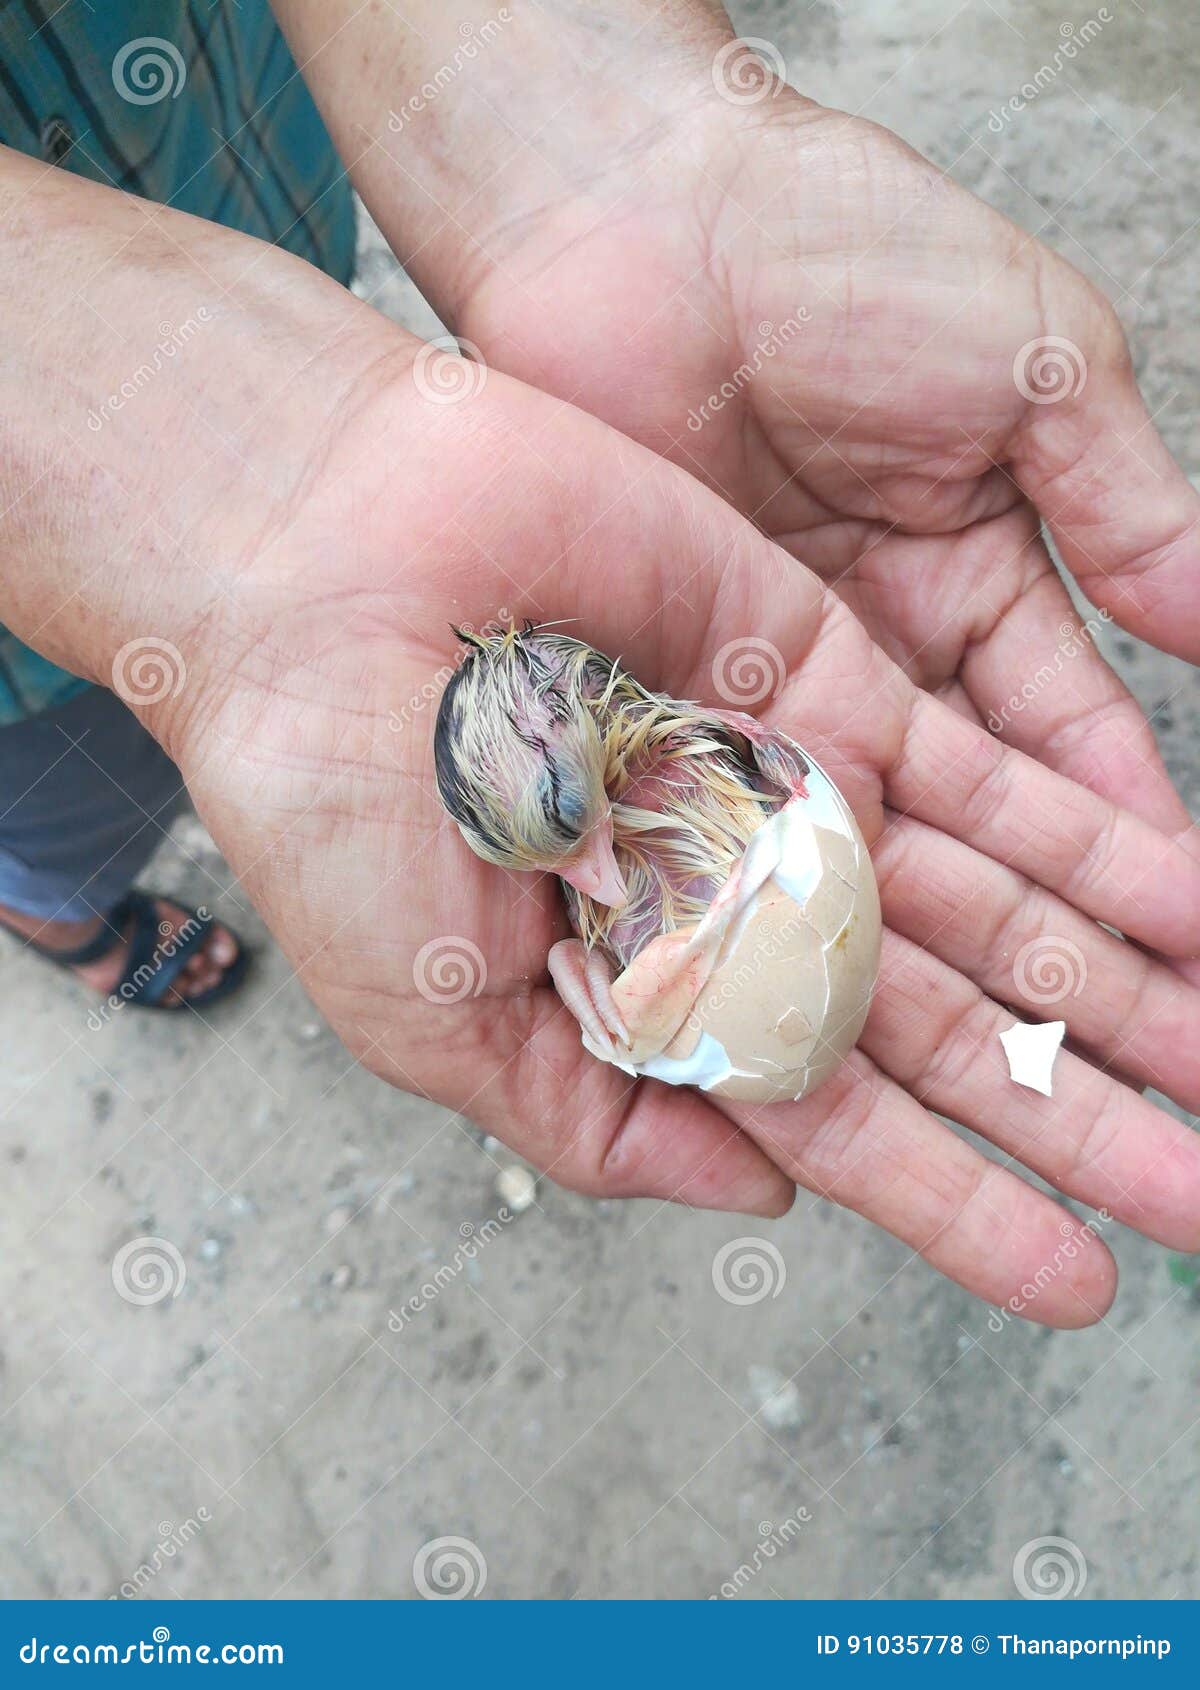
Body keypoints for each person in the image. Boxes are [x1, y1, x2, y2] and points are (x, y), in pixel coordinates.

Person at [2, 1, 1198, 1324]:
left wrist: (591, 125)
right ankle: (57, 911)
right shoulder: (642, 789)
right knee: (63, 805)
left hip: (225, 181)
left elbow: (725, 795)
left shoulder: (667, 762)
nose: (598, 874)